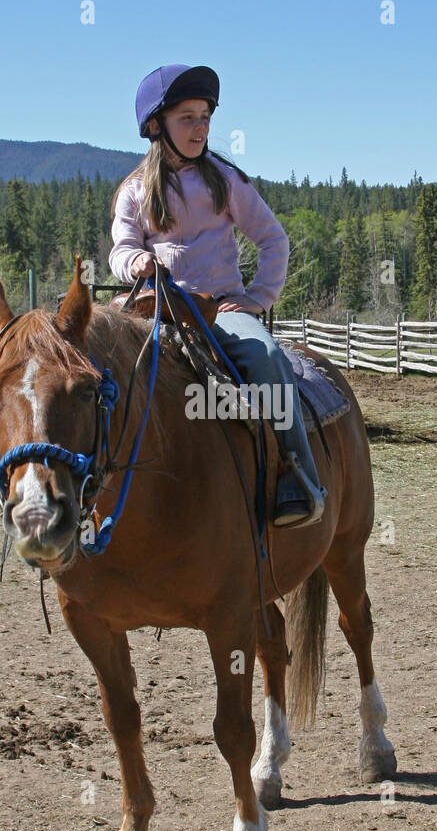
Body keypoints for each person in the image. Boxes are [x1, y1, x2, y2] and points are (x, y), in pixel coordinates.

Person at [109, 63, 326, 528]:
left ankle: (296, 476)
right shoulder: (133, 191)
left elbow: (273, 240)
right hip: (156, 307)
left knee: (266, 356)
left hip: (217, 308)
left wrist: (257, 298)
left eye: (205, 116)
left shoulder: (224, 180)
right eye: (187, 117)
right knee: (96, 358)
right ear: (155, 125)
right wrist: (137, 264)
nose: (200, 127)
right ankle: (91, 479)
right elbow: (122, 248)